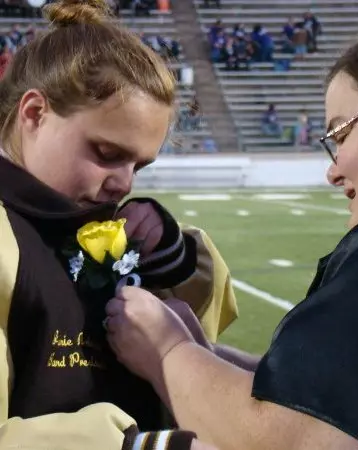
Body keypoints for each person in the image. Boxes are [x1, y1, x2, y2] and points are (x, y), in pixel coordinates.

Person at [107, 13, 358, 450]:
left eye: (341, 134)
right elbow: (339, 397)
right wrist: (208, 356)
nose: (333, 169)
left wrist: (166, 350)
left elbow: (289, 436)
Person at [0, 0, 238, 449]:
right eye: (107, 154)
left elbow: (202, 330)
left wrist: (174, 256)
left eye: (139, 166)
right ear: (34, 114)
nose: (124, 184)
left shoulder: (103, 220)